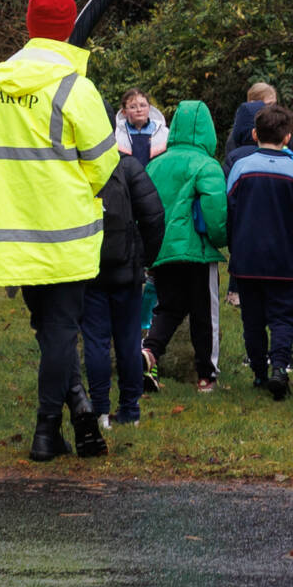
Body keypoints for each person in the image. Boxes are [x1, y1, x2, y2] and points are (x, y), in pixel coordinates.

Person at [0, 0, 122, 461]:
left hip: (10, 231)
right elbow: (104, 163)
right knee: (60, 331)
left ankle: (77, 410)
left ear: (28, 23)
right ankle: (44, 431)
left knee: (49, 330)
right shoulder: (75, 87)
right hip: (64, 231)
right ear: (71, 26)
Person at [144, 99, 229, 392]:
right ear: (208, 131)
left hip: (163, 250)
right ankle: (207, 375)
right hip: (198, 253)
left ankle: (149, 352)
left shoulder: (156, 164)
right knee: (205, 314)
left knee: (168, 308)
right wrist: (221, 240)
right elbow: (216, 212)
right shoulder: (208, 165)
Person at [84, 141, 166, 428]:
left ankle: (100, 411)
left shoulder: (75, 165)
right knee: (128, 340)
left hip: (87, 267)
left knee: (95, 341)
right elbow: (154, 216)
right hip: (126, 270)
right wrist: (145, 259)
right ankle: (130, 410)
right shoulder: (128, 166)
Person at [226, 102, 293, 399]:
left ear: (255, 133)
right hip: (283, 257)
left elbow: (230, 209)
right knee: (283, 317)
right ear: (287, 137)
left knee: (253, 319)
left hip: (246, 257)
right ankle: (280, 367)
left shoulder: (240, 167)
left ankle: (260, 373)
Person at [115, 89, 169, 160]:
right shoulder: (116, 134)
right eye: (133, 107)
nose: (139, 110)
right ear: (124, 112)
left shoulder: (163, 132)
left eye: (143, 105)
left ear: (149, 108)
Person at [228, 81, 279, 155]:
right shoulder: (235, 138)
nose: (273, 108)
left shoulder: (279, 129)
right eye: (268, 104)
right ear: (252, 104)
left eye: (274, 104)